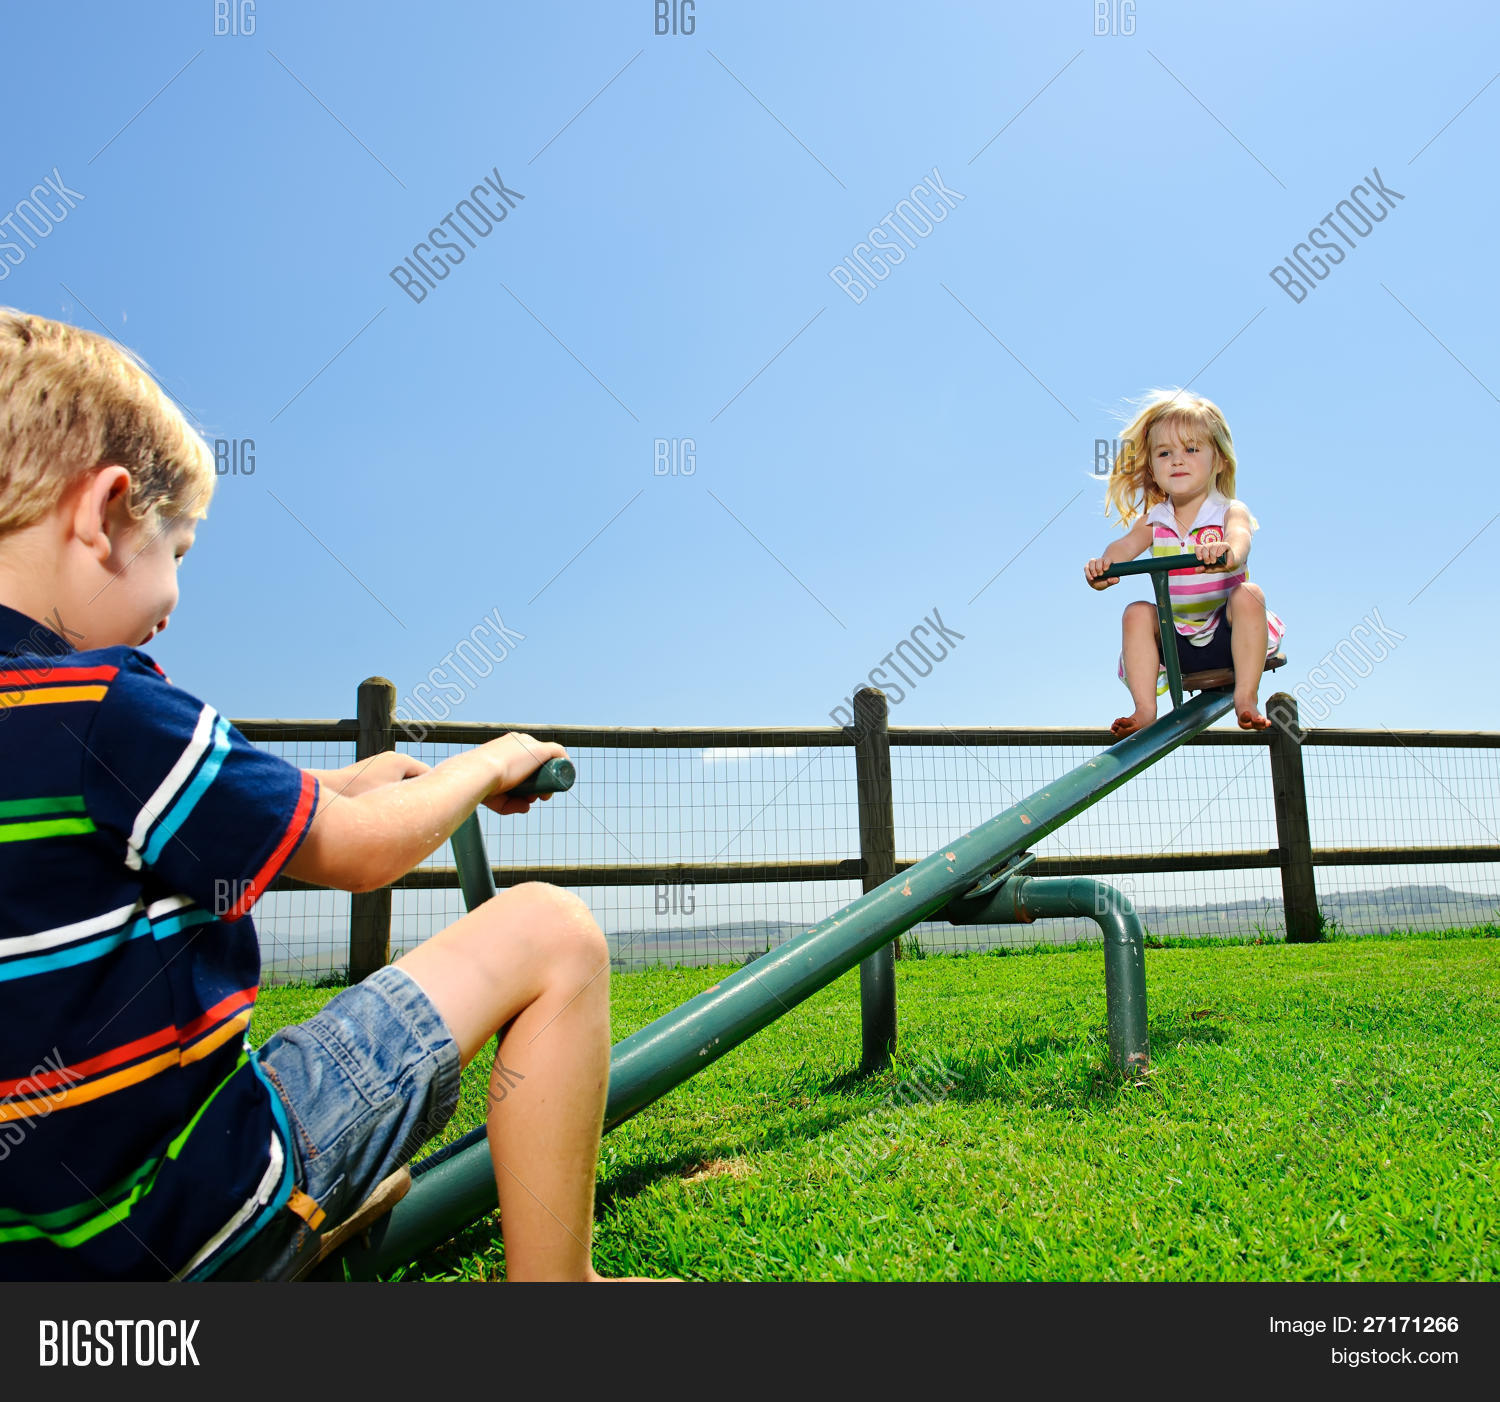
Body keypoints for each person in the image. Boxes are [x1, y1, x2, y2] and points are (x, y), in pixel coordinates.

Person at [0, 308, 645, 1282]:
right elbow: (360, 851)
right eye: (177, 549)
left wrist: (336, 787)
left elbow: (177, 821)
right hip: (180, 1229)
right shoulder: (106, 706)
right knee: (550, 930)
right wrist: (484, 764)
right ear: (106, 509)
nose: (173, 601)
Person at [1083, 389, 1285, 736]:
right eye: (1165, 453)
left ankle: (1246, 698)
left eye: (1191, 449)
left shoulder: (1227, 511)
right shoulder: (1155, 520)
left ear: (1219, 460)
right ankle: (1144, 709)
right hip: (1176, 645)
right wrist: (1104, 566)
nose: (1177, 461)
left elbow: (1240, 539)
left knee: (1249, 595)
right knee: (1136, 612)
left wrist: (1228, 552)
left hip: (1228, 639)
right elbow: (1124, 546)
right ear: (1153, 467)